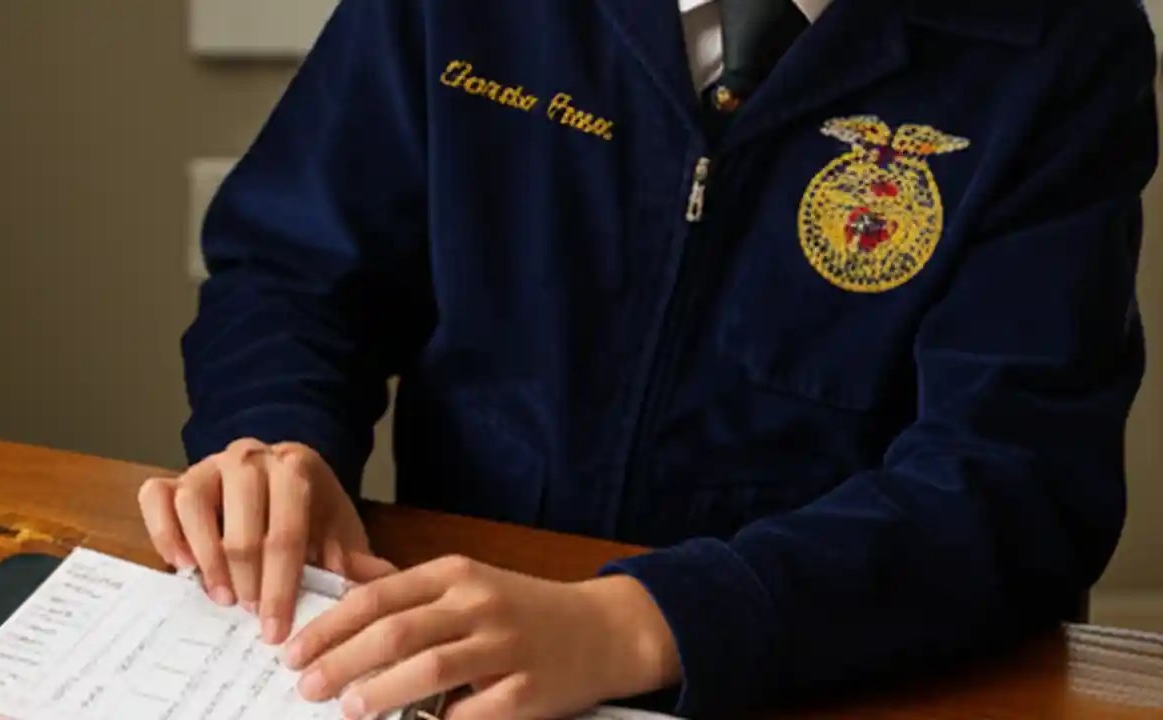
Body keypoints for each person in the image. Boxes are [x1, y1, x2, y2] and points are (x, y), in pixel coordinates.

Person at [138, 0, 1160, 717]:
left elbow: (1013, 483)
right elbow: (295, 270)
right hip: (453, 642)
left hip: (840, 662)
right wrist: (272, 433)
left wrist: (641, 624)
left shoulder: (1061, 44)